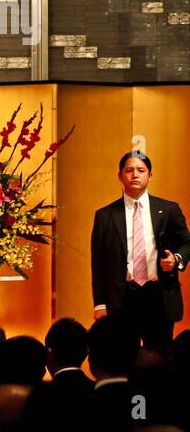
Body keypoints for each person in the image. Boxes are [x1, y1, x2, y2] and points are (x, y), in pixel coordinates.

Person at [91, 151, 190, 353]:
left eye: (141, 170)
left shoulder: (168, 209)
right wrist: (99, 303)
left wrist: (176, 259)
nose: (135, 175)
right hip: (122, 297)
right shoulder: (105, 215)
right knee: (123, 356)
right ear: (120, 176)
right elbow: (98, 263)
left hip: (158, 295)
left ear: (150, 176)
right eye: (129, 170)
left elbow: (186, 242)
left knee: (160, 357)